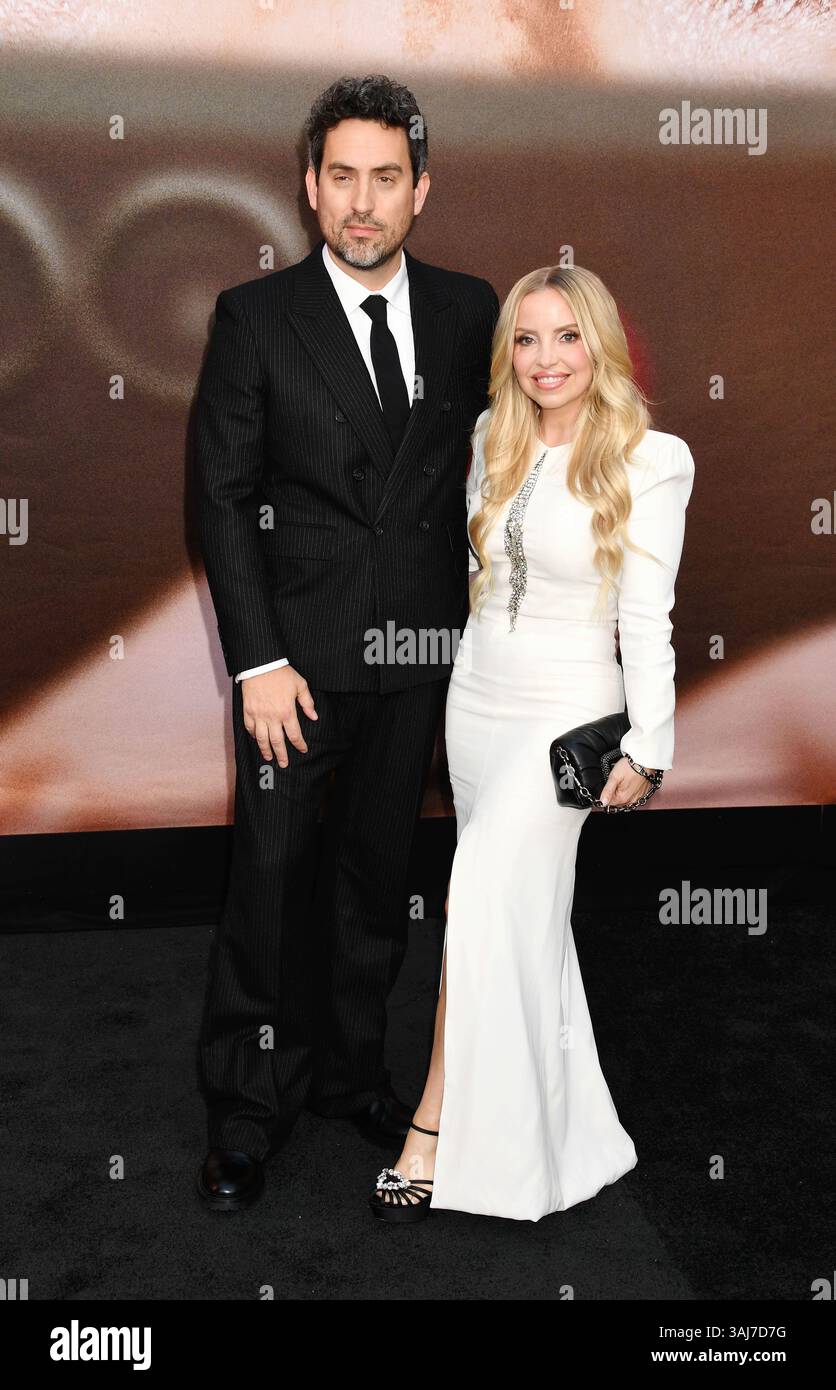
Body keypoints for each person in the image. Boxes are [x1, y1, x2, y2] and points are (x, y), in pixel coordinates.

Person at [194, 74, 499, 1210]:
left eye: (384, 178)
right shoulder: (252, 318)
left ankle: (351, 1076)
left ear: (420, 188)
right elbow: (222, 501)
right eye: (339, 178)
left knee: (378, 883)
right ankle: (243, 1111)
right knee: (267, 886)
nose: (360, 203)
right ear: (308, 187)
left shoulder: (474, 312)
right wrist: (256, 663)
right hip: (296, 670)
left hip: (422, 663)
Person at [369, 264, 695, 1222]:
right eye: (527, 338)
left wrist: (652, 744)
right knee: (524, 929)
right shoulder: (490, 439)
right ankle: (570, 1134)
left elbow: (649, 617)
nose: (546, 359)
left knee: (476, 908)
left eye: (567, 336)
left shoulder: (651, 457)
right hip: (478, 699)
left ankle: (432, 1130)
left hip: (565, 710)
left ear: (601, 344)